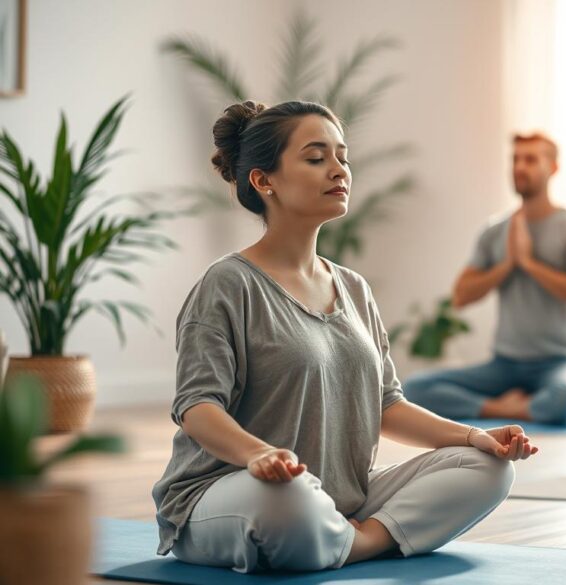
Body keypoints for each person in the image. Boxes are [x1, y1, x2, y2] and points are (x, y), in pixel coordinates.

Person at [152, 101, 537, 573]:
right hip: (232, 493)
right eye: (316, 158)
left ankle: (358, 538)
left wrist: (476, 436)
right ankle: (353, 539)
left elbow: (386, 405)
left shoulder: (354, 287)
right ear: (263, 180)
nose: (339, 170)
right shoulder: (228, 284)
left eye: (342, 157)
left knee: (490, 468)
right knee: (287, 500)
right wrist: (260, 455)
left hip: (340, 499)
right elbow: (197, 409)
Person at [402, 133, 566, 424]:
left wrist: (529, 263)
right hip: (505, 367)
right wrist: (508, 264)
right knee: (414, 388)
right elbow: (461, 295)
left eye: (531, 159)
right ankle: (504, 409)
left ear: (553, 168)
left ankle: (508, 407)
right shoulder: (496, 231)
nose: (520, 167)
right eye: (516, 159)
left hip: (562, 362)